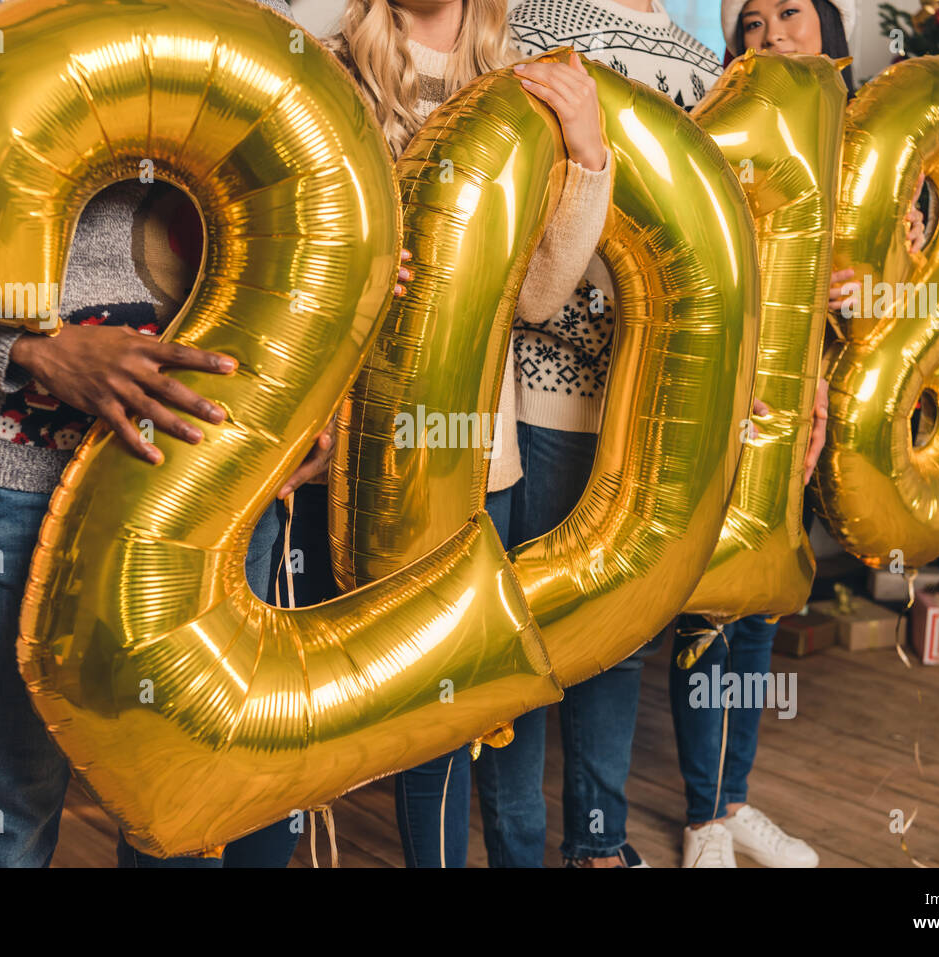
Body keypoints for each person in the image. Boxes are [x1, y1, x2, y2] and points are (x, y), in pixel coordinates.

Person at [0, 0, 335, 868]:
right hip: (14, 479)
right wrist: (30, 350)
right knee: (2, 820)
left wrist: (315, 388)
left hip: (214, 469)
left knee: (179, 813)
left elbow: (308, 204)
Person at [326, 0, 614, 868]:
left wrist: (589, 152)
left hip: (486, 448)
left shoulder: (519, 79)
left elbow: (533, 297)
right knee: (425, 717)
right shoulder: (331, 66)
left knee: (497, 693)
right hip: (358, 449)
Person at [672, 0, 922, 869]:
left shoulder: (868, 151)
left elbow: (905, 314)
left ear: (832, 36)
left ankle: (733, 800)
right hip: (736, 399)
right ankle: (706, 816)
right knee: (710, 603)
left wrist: (882, 278)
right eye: (749, 21)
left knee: (761, 615)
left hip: (817, 421)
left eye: (790, 13)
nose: (770, 32)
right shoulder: (727, 127)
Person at [485, 0, 726, 869]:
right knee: (528, 641)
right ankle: (517, 848)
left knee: (616, 637)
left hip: (655, 411)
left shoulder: (703, 61)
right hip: (543, 396)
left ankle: (599, 843)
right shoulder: (530, 24)